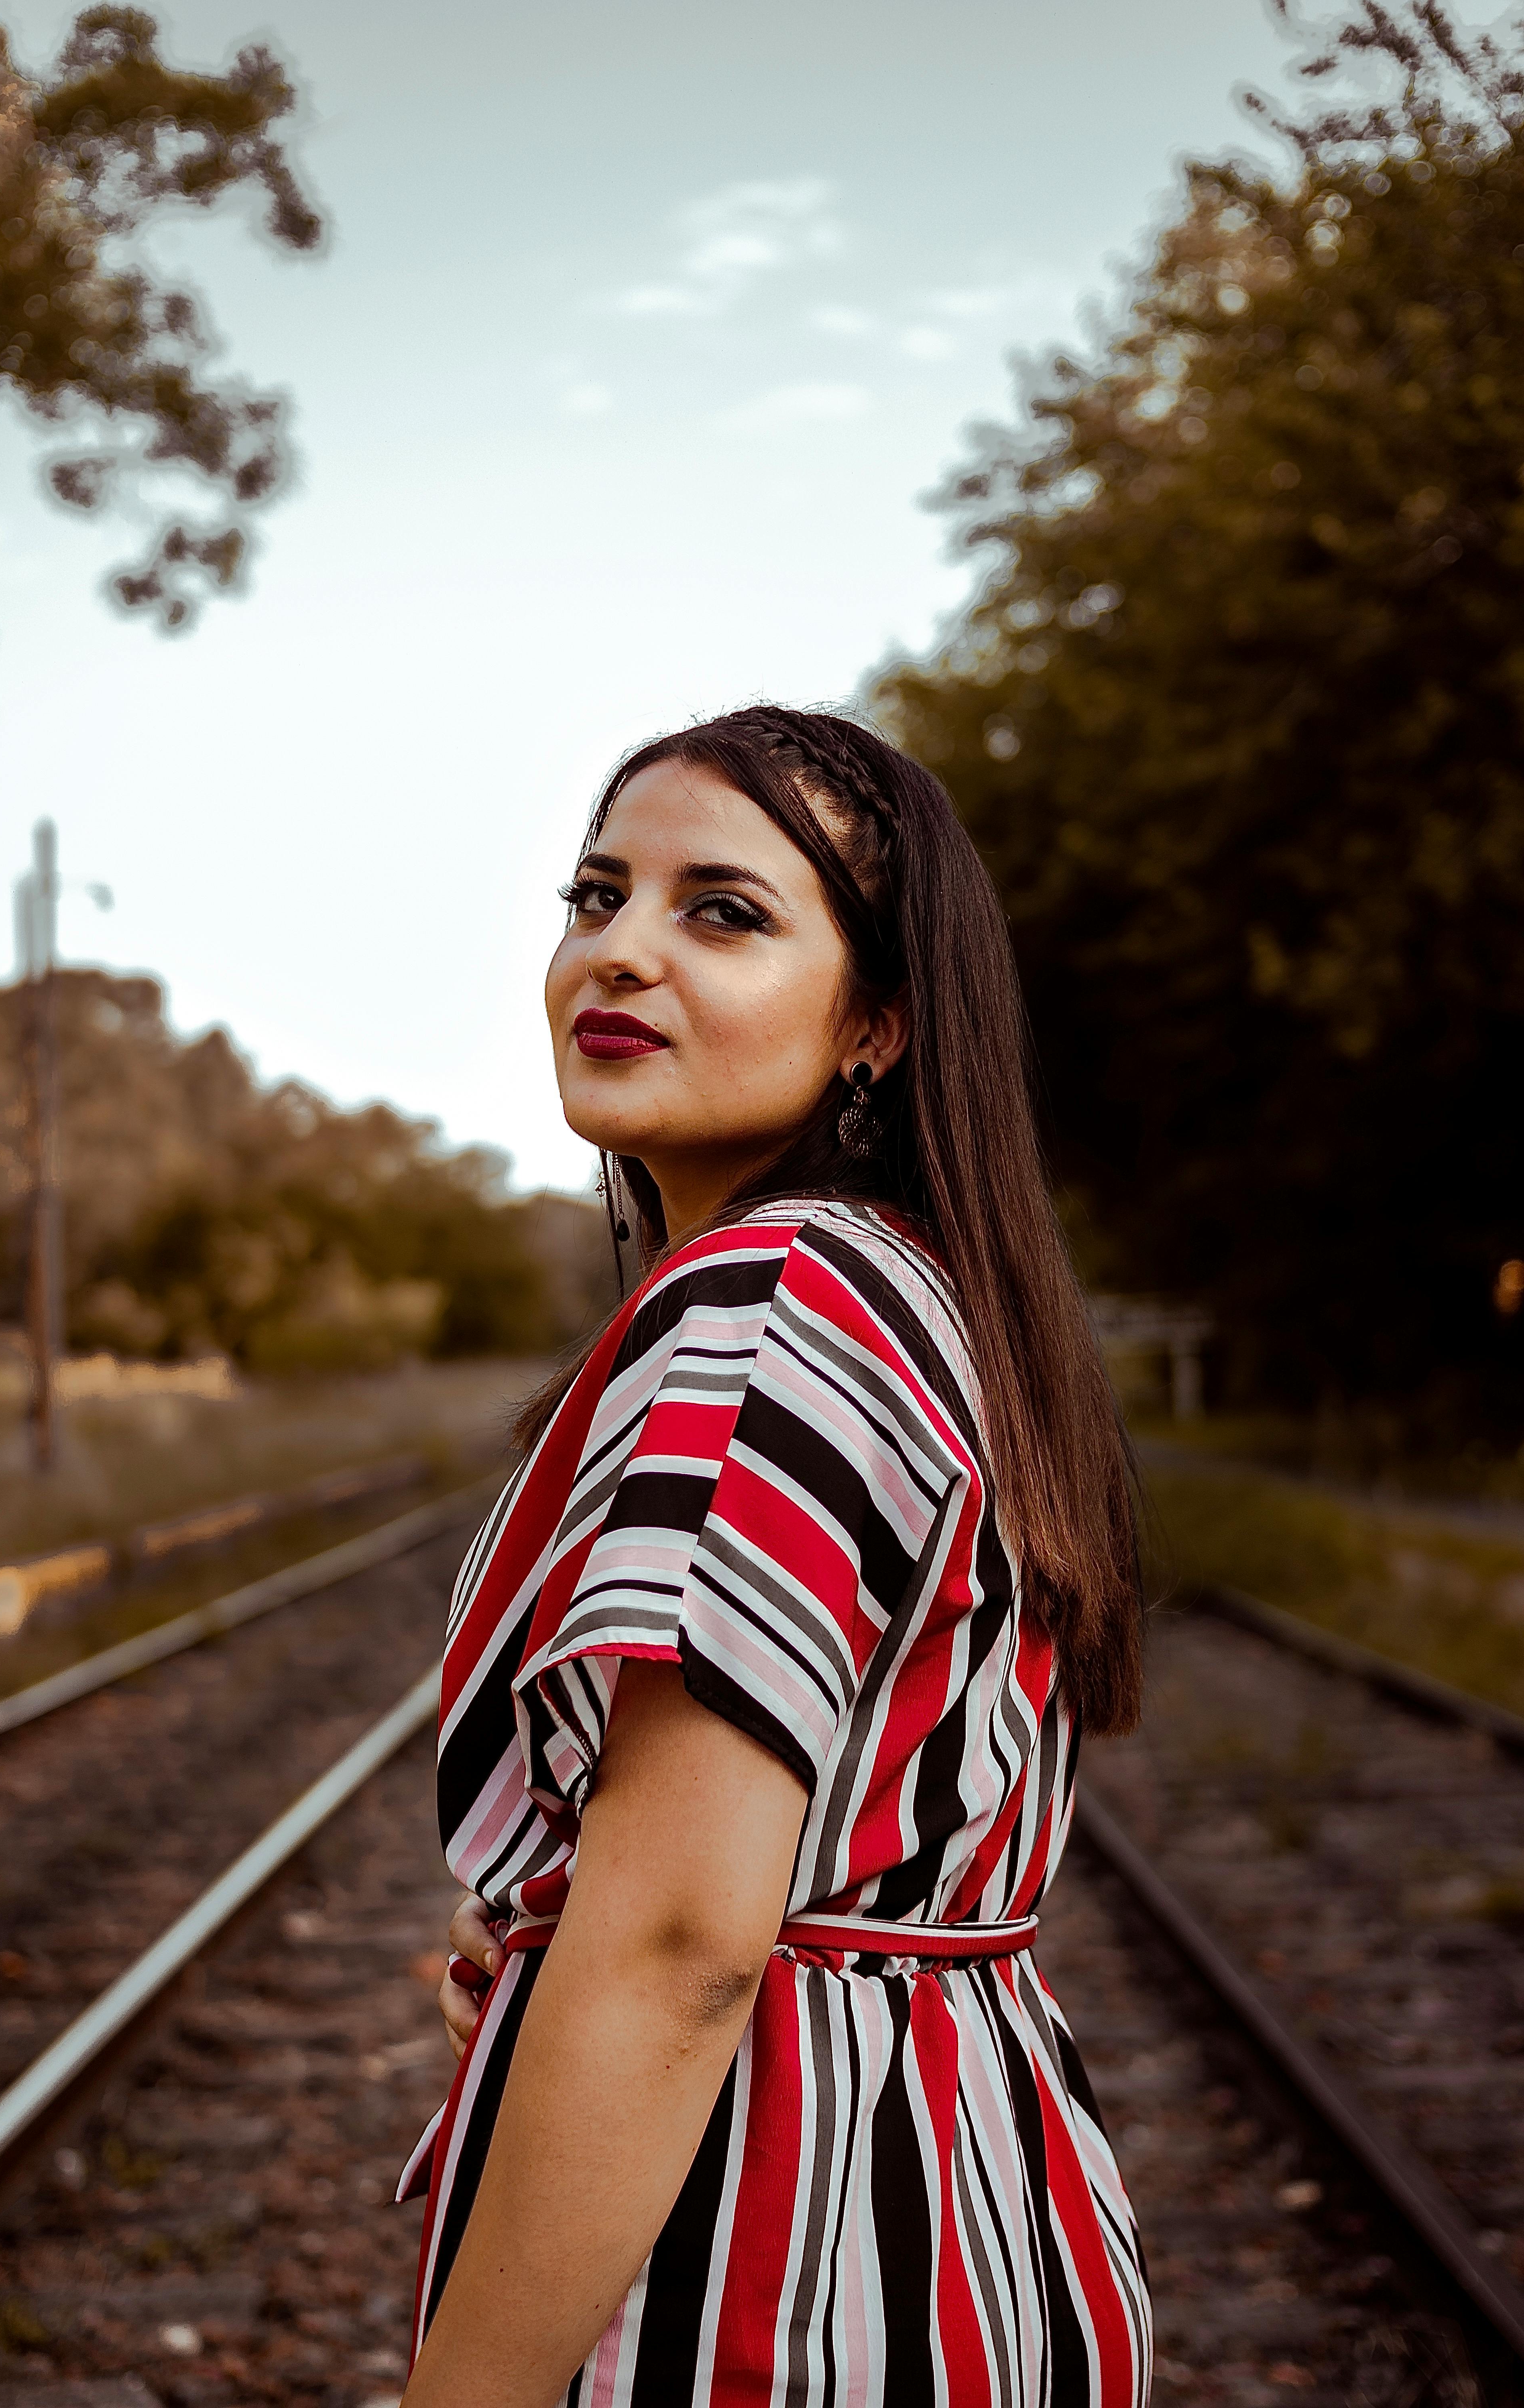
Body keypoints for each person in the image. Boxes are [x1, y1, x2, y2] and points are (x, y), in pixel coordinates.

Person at [397, 707, 1151, 2408]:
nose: (619, 951)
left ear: (877, 1022)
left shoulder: (772, 1307)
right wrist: (556, 1918)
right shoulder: (908, 1287)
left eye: (722, 913)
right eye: (597, 897)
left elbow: (683, 1948)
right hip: (949, 2221)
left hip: (772, 2271)